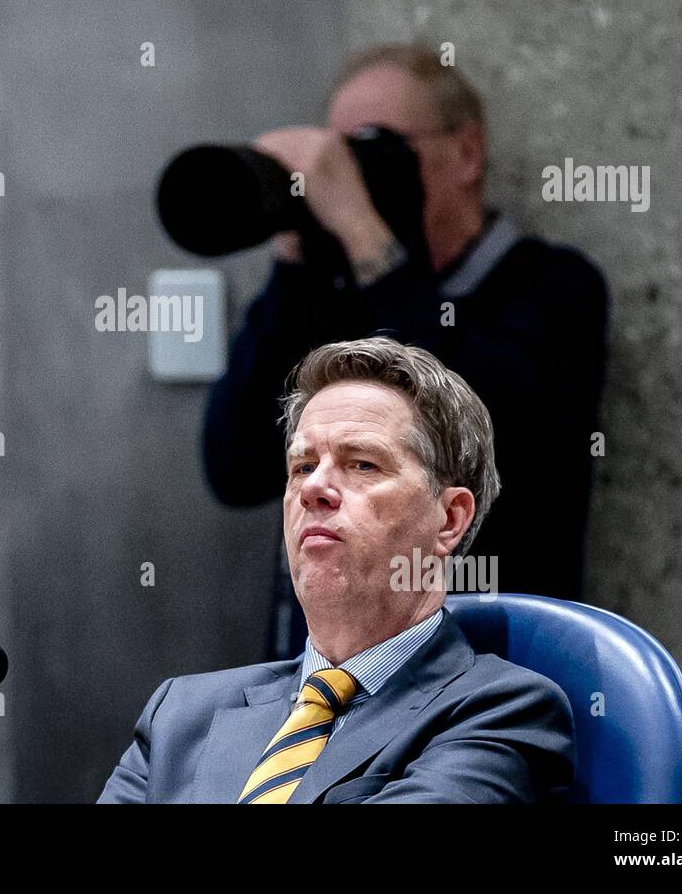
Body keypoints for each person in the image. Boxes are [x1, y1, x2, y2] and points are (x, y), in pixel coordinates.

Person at [203, 44, 608, 659]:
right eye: (338, 157)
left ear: (466, 153)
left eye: (373, 146)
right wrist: (293, 252)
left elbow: (480, 421)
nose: (347, 177)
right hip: (319, 696)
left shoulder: (553, 287)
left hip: (482, 688)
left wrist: (368, 240)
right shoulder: (330, 294)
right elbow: (234, 468)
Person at [101, 338, 574, 804]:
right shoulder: (180, 715)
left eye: (362, 464)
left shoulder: (502, 711)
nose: (315, 489)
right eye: (303, 466)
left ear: (448, 519)